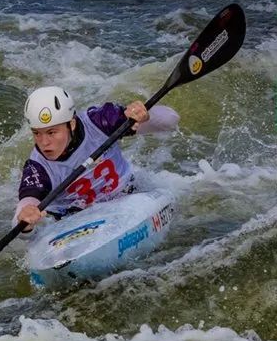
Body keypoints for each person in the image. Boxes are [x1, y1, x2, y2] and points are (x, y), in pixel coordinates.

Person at [13, 86, 179, 233]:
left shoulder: (100, 122)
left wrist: (144, 115)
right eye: (37, 133)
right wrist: (25, 219)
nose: (44, 142)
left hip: (130, 195)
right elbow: (24, 209)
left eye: (51, 132)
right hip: (76, 222)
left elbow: (170, 120)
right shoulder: (38, 168)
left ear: (71, 124)